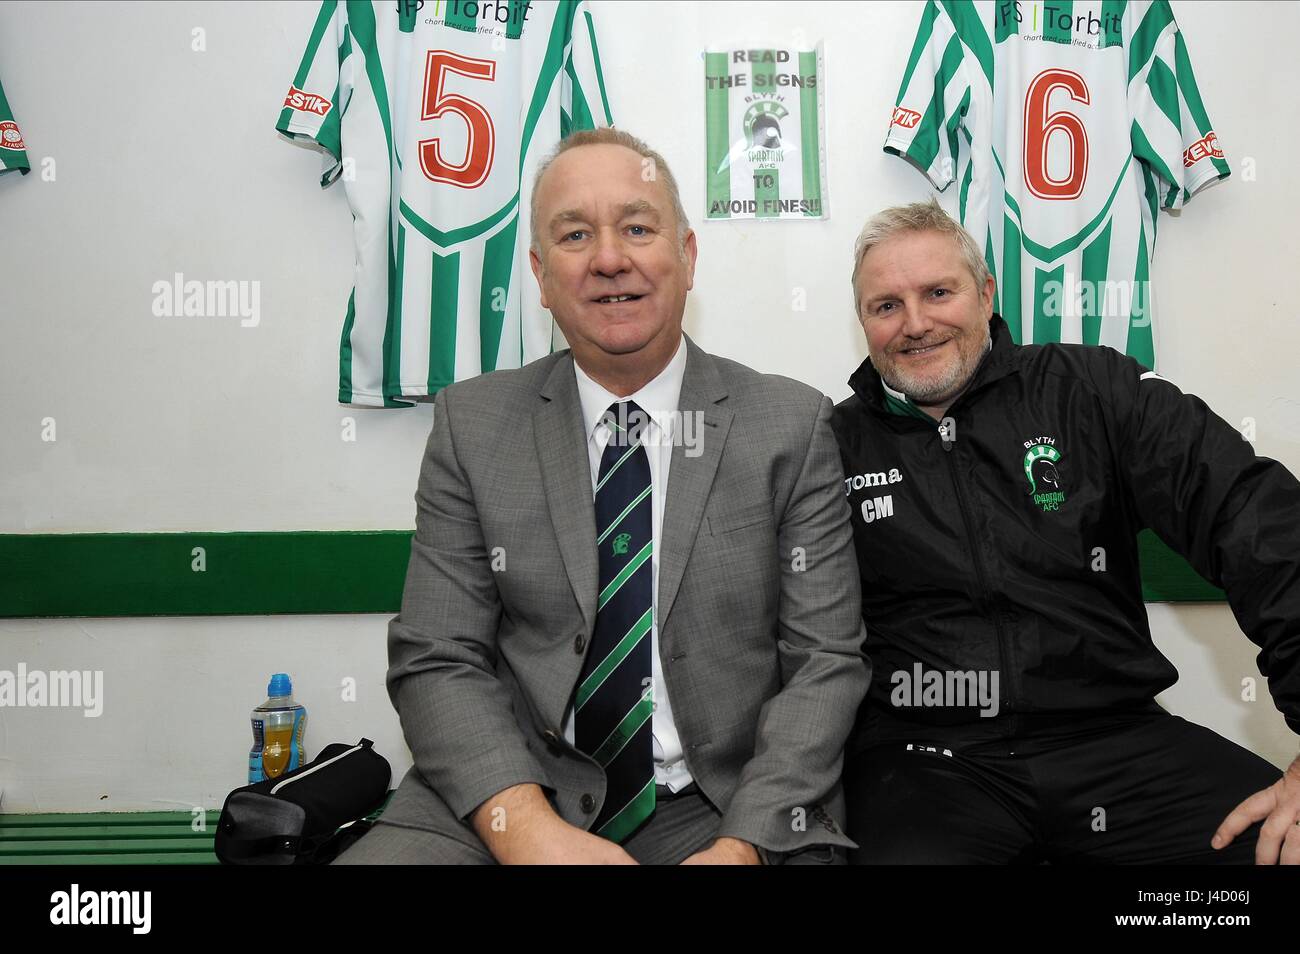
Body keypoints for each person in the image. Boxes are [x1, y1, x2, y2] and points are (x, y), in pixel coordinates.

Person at [335, 128, 869, 865]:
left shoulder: (790, 424)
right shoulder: (473, 426)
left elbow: (825, 664)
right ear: (540, 274)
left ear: (686, 255)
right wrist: (525, 831)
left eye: (638, 227)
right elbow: (437, 656)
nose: (610, 258)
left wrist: (743, 846)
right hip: (508, 794)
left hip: (726, 803)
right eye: (575, 234)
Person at [831, 198, 1300, 864]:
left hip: (1115, 741)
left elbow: (1254, 517)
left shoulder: (1095, 390)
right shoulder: (831, 448)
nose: (916, 324)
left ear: (986, 291)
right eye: (886, 306)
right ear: (863, 323)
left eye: (939, 292)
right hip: (925, 759)